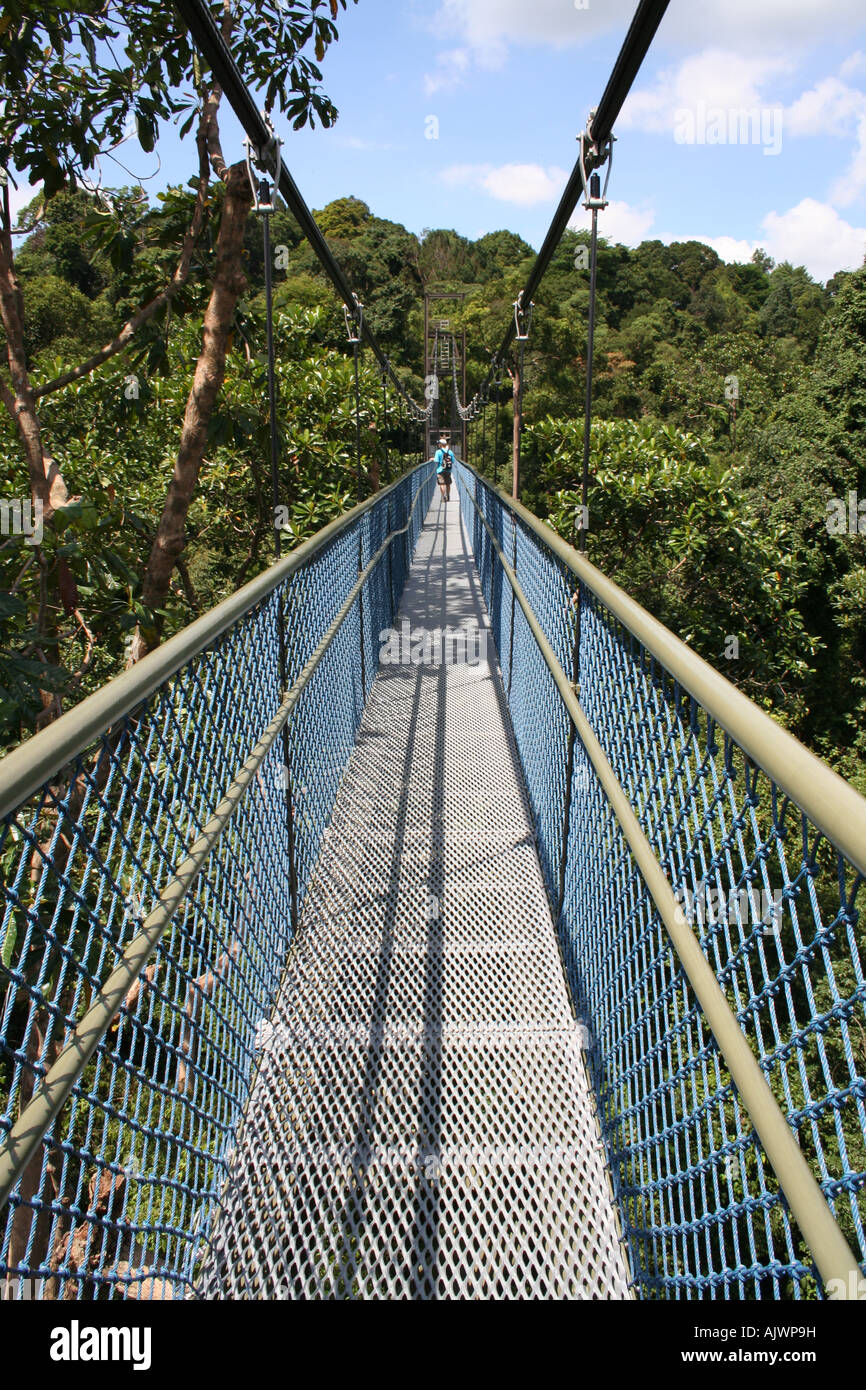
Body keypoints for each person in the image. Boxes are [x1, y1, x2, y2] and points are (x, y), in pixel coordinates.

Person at [434, 436, 454, 502]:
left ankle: (443, 497)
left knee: (442, 484)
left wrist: (432, 459)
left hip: (440, 470)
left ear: (440, 444)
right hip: (448, 470)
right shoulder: (450, 452)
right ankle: (448, 496)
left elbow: (436, 461)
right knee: (448, 484)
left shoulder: (438, 452)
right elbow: (453, 461)